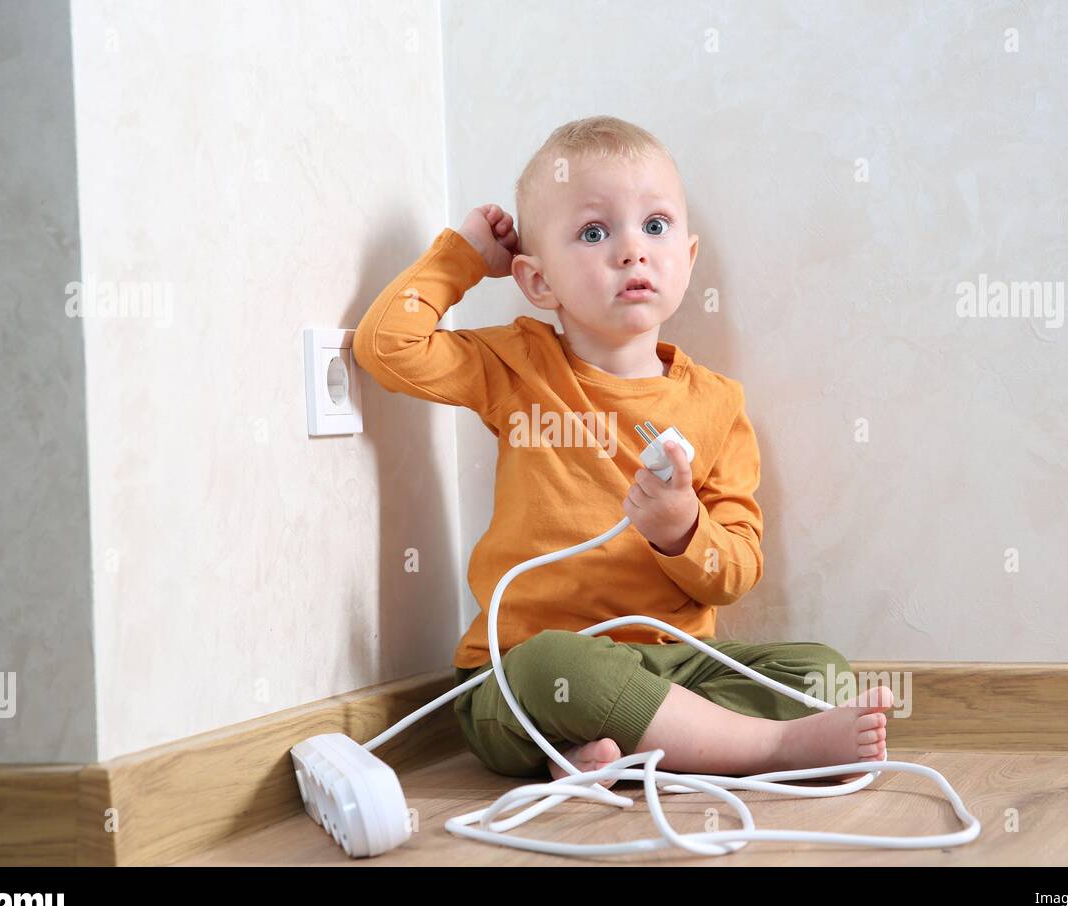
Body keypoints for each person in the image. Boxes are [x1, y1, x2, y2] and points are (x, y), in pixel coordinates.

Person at [352, 115, 891, 788]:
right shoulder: (519, 367)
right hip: (530, 672)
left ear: (687, 260)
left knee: (821, 672)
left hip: (676, 664)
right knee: (560, 668)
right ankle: (768, 750)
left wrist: (682, 532)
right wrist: (463, 257)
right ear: (538, 281)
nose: (632, 251)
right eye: (595, 232)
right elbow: (387, 347)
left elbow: (737, 570)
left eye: (656, 226)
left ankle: (617, 755)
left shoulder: (717, 405)